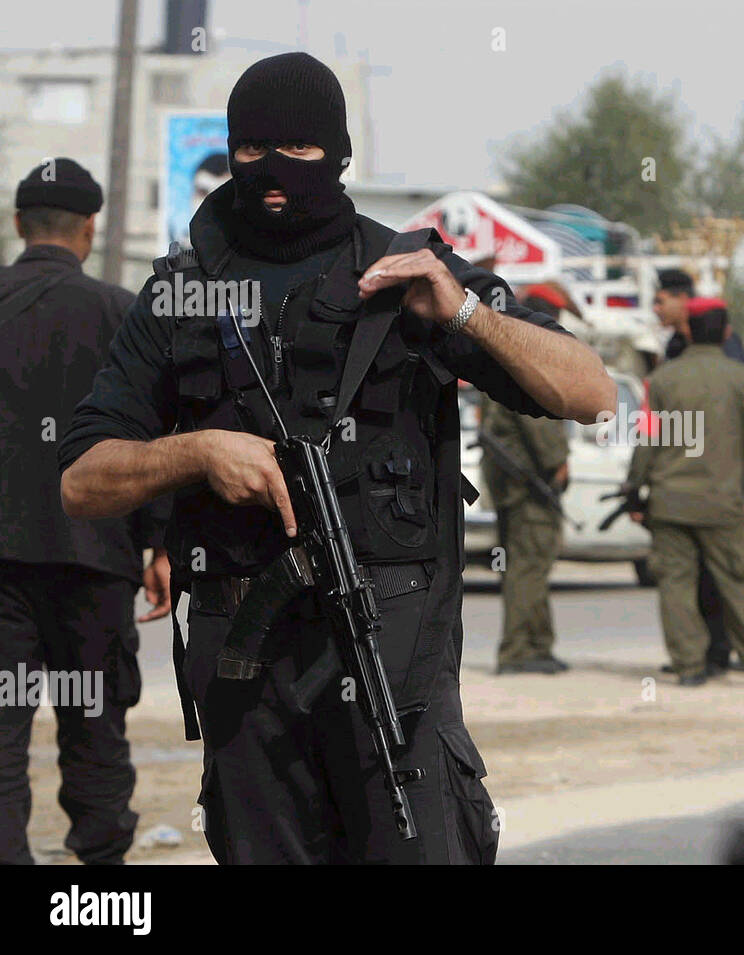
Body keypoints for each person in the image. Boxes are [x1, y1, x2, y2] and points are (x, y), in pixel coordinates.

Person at [58, 53, 614, 865]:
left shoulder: (407, 272)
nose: (274, 174)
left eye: (299, 151)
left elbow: (591, 391)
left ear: (340, 154)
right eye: (252, 153)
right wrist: (197, 451)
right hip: (248, 690)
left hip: (394, 675)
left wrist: (462, 312)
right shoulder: (182, 293)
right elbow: (81, 478)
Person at [0, 158, 170, 865]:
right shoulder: (121, 313)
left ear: (18, 225)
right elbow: (158, 433)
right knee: (97, 733)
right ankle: (100, 887)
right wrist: (162, 544)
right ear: (92, 227)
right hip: (97, 563)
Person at [624, 298, 744, 686]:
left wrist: (634, 489)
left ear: (690, 331)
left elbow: (646, 438)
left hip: (669, 501)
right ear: (727, 333)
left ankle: (688, 667)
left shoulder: (662, 379)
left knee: (676, 585)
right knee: (738, 582)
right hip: (721, 502)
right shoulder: (743, 379)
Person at [652, 268, 744, 674]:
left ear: (683, 300)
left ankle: (719, 650)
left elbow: (734, 415)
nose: (656, 308)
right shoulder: (674, 345)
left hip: (716, 476)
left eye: (661, 301)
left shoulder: (725, 344)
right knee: (684, 576)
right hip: (680, 475)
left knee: (720, 573)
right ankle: (694, 653)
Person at [479, 392, 570, 675]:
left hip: (513, 489)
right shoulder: (530, 379)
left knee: (531, 568)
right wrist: (559, 463)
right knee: (528, 569)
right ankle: (517, 650)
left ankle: (538, 646)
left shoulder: (500, 372)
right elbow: (541, 428)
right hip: (529, 492)